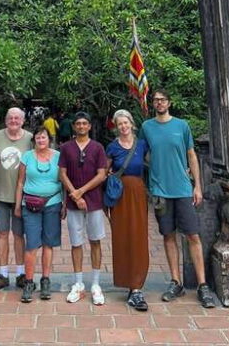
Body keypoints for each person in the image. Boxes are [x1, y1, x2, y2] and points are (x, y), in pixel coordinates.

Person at [139, 89, 216, 308]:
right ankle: (176, 281)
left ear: (169, 103)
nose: (159, 103)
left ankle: (202, 284)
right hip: (160, 191)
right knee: (168, 235)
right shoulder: (147, 127)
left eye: (163, 99)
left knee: (192, 235)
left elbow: (191, 155)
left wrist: (197, 186)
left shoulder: (181, 126)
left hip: (182, 189)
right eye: (156, 100)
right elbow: (142, 153)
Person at [58, 110, 108, 305]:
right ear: (74, 126)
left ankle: (95, 283)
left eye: (84, 123)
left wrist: (81, 191)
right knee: (76, 242)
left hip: (94, 201)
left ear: (89, 126)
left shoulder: (97, 148)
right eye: (78, 123)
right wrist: (74, 194)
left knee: (95, 240)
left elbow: (102, 174)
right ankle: (78, 283)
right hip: (73, 203)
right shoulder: (66, 148)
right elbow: (62, 173)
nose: (81, 126)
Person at [105, 109, 150, 311]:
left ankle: (137, 287)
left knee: (138, 237)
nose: (123, 126)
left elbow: (152, 166)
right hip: (120, 195)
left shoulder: (142, 144)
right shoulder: (112, 147)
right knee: (122, 237)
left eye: (125, 122)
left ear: (132, 123)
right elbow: (105, 172)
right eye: (119, 124)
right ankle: (126, 281)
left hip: (138, 193)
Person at [14, 125, 64, 302]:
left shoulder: (58, 156)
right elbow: (20, 182)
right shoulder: (26, 157)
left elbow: (63, 180)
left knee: (48, 244)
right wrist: (18, 205)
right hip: (31, 204)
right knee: (32, 244)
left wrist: (64, 203)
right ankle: (29, 281)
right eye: (38, 137)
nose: (41, 140)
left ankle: (45, 279)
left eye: (43, 137)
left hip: (53, 202)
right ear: (34, 140)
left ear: (49, 139)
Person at [0, 107, 33, 291]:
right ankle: (3, 274)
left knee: (20, 234)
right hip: (0, 194)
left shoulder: (29, 138)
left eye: (17, 118)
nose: (13, 120)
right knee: (2, 233)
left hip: (21, 195)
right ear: (6, 120)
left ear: (22, 120)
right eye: (10, 118)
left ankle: (21, 273)